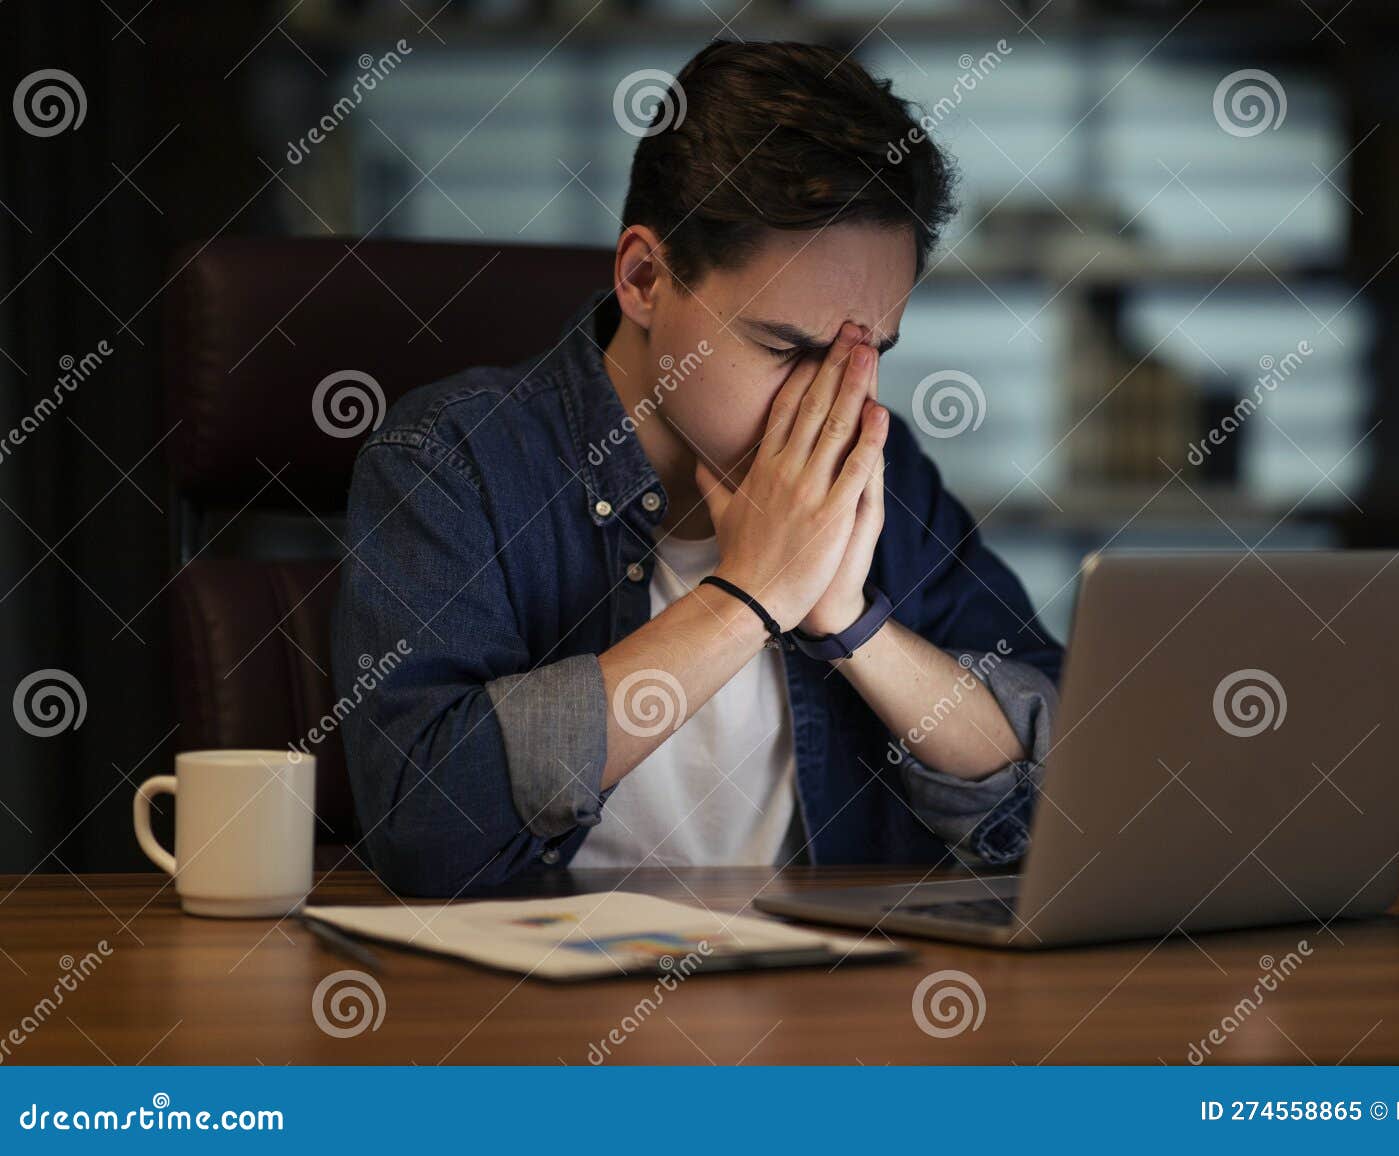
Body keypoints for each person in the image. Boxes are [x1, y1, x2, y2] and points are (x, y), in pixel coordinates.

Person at [333, 39, 1063, 896]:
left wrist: (853, 627)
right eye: (785, 347)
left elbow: (1071, 785)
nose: (832, 401)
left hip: (832, 976)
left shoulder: (881, 467)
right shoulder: (451, 462)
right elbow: (426, 827)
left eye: (872, 354)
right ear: (645, 278)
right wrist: (749, 596)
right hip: (547, 977)